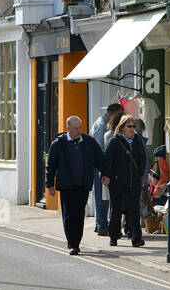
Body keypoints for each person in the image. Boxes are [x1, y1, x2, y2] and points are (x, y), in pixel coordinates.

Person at [47, 116, 108, 255]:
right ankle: (72, 243)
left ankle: (77, 242)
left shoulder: (88, 142)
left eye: (80, 127)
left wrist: (105, 173)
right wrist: (49, 183)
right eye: (76, 128)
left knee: (79, 214)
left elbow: (100, 159)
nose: (79, 130)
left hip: (83, 185)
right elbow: (51, 165)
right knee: (69, 215)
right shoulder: (58, 144)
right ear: (68, 128)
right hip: (66, 186)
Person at [104, 116, 146, 247]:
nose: (133, 129)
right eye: (130, 126)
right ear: (122, 127)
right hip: (117, 182)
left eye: (134, 126)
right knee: (116, 210)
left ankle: (136, 238)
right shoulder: (114, 141)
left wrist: (139, 175)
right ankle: (114, 236)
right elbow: (106, 160)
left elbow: (142, 159)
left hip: (134, 181)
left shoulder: (138, 141)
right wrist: (109, 176)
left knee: (134, 210)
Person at [89, 103, 124, 236]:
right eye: (119, 115)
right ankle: (102, 225)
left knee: (104, 196)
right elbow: (100, 150)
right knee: (102, 197)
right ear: (113, 114)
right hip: (100, 167)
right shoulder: (101, 125)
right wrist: (105, 170)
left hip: (103, 166)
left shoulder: (103, 123)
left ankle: (101, 224)